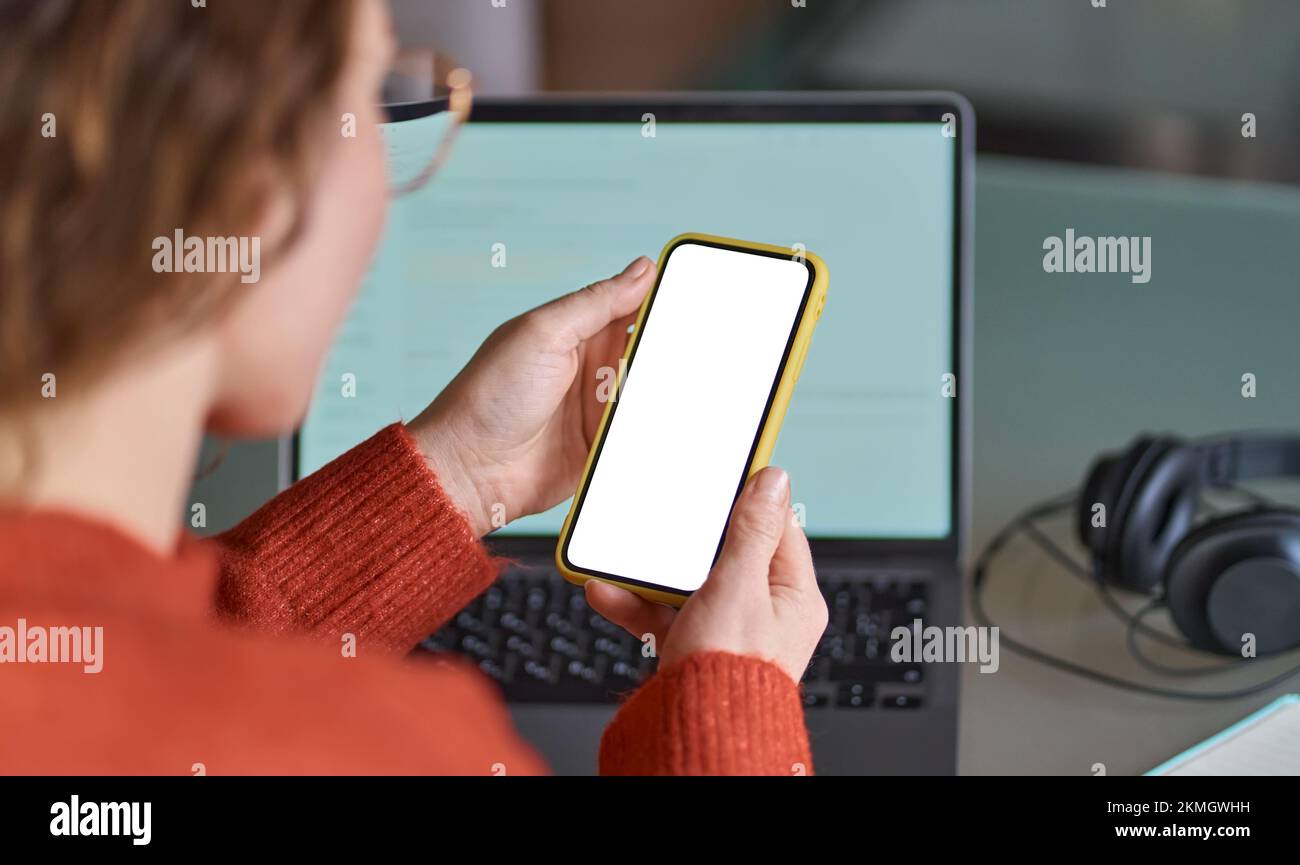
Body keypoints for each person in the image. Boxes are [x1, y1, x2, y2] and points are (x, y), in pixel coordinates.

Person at [0, 0, 827, 775]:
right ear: (244, 197)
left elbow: (132, 667)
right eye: (375, 94)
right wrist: (729, 716)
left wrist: (463, 475)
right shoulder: (400, 750)